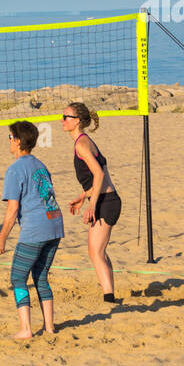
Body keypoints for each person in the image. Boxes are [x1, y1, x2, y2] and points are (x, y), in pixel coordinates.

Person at [0, 121, 65, 339]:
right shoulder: (41, 165)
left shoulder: (15, 170)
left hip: (36, 230)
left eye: (10, 137)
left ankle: (25, 329)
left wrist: (1, 239)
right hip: (55, 225)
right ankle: (50, 328)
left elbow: (12, 210)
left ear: (18, 141)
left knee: (17, 278)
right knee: (41, 277)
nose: (9, 141)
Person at [61, 102, 121, 304]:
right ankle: (110, 294)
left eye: (66, 117)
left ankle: (109, 299)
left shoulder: (81, 144)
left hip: (106, 202)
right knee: (99, 251)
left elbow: (99, 173)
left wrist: (91, 205)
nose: (62, 120)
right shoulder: (84, 140)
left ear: (77, 121)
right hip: (106, 199)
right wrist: (83, 195)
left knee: (95, 251)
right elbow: (98, 178)